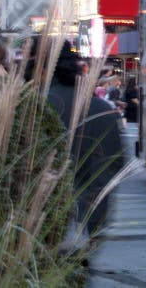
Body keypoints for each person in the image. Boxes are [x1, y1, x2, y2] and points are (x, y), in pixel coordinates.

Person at [28, 40, 125, 238]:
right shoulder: (101, 109)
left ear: (39, 65)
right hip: (86, 222)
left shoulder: (32, 104)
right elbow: (111, 164)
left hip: (36, 224)